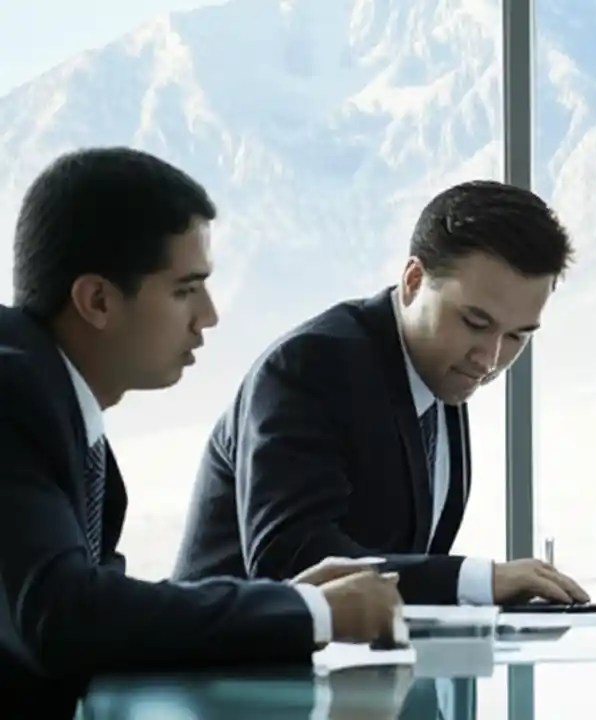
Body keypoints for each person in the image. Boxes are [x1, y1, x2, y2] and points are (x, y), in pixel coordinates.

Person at [0, 148, 402, 709]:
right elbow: (64, 616)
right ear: (97, 300)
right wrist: (313, 614)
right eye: (186, 289)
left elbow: (106, 614)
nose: (209, 315)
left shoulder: (58, 410)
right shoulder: (14, 396)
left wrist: (281, 602)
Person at [172, 180, 590, 607]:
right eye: (475, 323)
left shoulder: (440, 375)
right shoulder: (310, 365)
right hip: (229, 665)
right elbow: (293, 558)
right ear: (412, 280)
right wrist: (479, 580)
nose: (490, 359)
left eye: (518, 336)